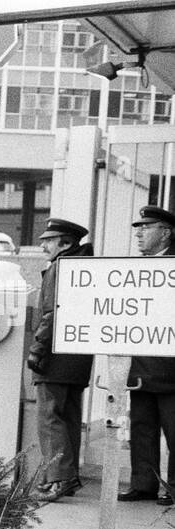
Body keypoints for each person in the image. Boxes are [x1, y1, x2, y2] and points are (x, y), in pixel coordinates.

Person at [26, 218, 94, 503]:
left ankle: (59, 479)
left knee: (50, 418)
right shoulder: (84, 267)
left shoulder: (59, 268)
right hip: (77, 358)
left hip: (55, 356)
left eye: (49, 240)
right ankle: (63, 476)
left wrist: (37, 350)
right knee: (68, 418)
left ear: (65, 243)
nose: (43, 245)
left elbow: (51, 313)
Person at [119, 205, 175, 506]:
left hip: (170, 365)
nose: (139, 233)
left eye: (147, 227)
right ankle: (144, 483)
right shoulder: (136, 268)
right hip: (141, 362)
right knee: (142, 428)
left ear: (165, 232)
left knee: (174, 431)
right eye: (138, 228)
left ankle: (174, 487)